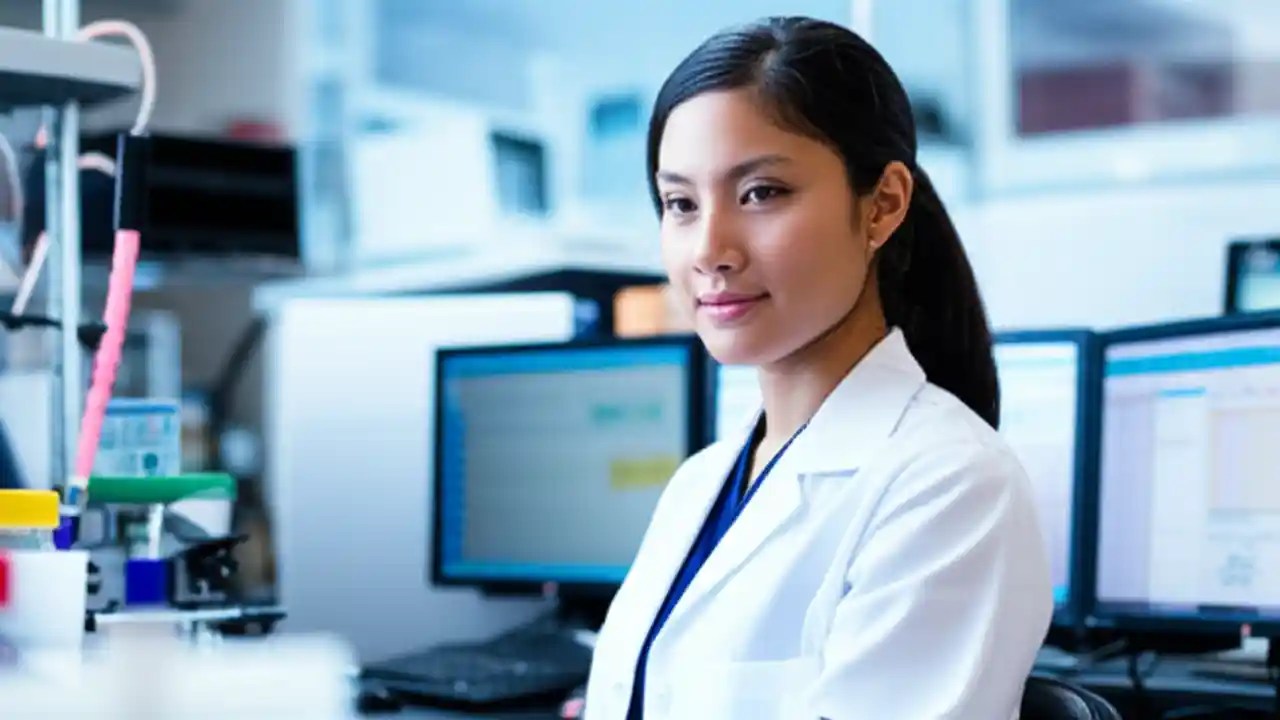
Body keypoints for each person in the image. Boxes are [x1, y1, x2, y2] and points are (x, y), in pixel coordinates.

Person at [585, 17, 1052, 720]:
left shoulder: (951, 485)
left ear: (883, 205)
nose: (709, 249)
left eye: (761, 193)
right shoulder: (699, 484)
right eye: (681, 203)